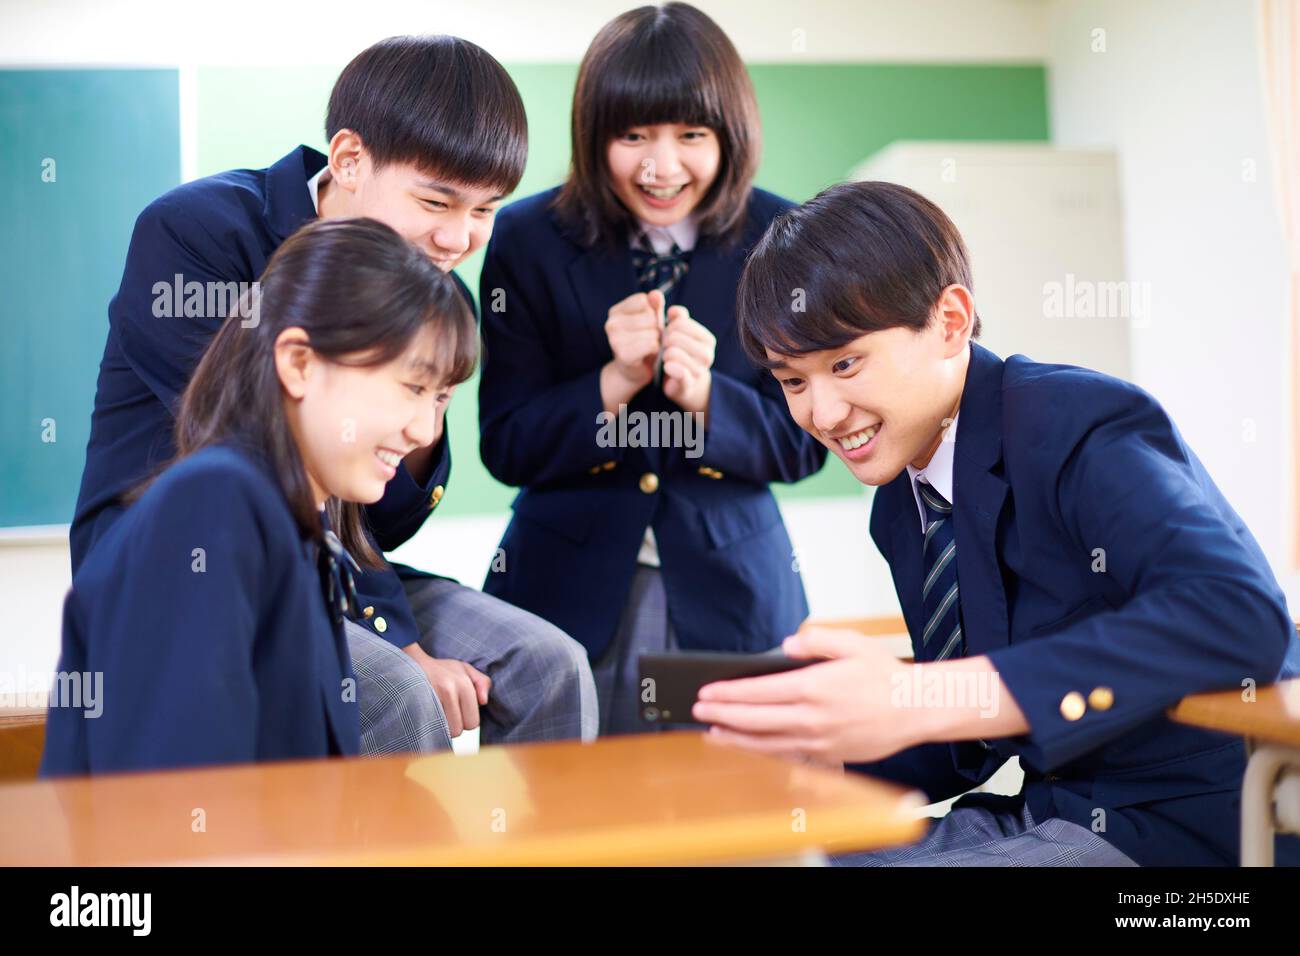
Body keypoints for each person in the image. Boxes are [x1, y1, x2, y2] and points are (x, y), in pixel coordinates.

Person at [696, 179, 1300, 866]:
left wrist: (920, 693)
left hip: (1198, 829)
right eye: (793, 381)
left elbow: (1239, 614)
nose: (824, 414)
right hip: (1047, 812)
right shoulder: (902, 506)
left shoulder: (1072, 419)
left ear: (950, 321)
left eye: (845, 363)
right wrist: (820, 750)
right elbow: (969, 743)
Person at [70, 35, 597, 754]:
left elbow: (381, 513)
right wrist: (394, 635)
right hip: (197, 566)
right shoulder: (203, 235)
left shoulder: (441, 299)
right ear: (349, 160)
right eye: (436, 200)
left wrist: (417, 411)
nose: (457, 238)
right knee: (395, 693)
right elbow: (257, 455)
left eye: (486, 210)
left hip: (346, 567)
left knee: (550, 668)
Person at [477, 3, 825, 734]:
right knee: (560, 828)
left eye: (690, 135)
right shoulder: (526, 238)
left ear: (729, 138)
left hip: (735, 593)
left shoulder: (782, 235)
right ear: (594, 135)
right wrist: (612, 383)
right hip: (563, 589)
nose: (661, 166)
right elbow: (506, 445)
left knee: (733, 833)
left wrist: (705, 398)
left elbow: (805, 442)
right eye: (633, 135)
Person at [44, 218, 480, 773]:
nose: (423, 430)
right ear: (299, 363)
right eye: (412, 387)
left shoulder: (294, 525)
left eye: (439, 399)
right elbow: (180, 813)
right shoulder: (214, 506)